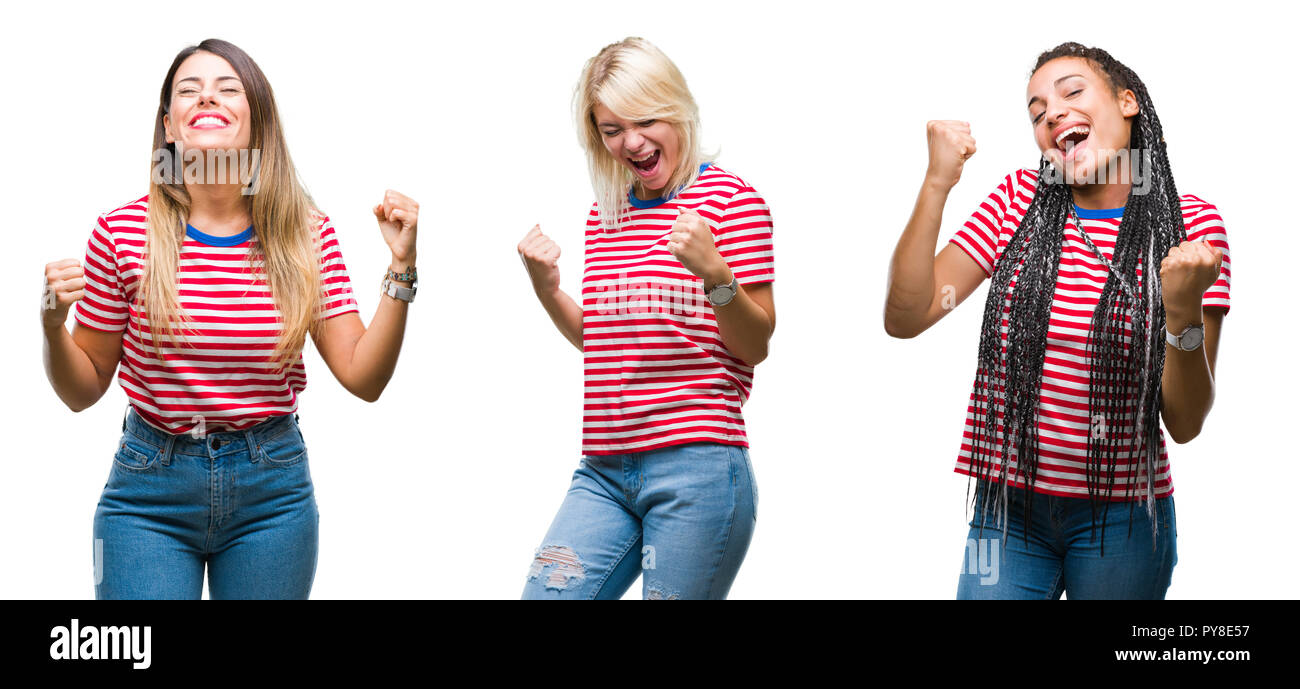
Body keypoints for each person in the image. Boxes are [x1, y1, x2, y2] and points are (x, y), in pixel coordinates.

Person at [40, 38, 420, 599]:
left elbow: (364, 378)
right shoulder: (123, 234)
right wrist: (52, 324)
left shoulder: (306, 236)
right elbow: (82, 390)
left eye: (227, 88)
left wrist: (401, 267)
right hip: (148, 494)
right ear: (170, 126)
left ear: (256, 117)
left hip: (273, 496)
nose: (206, 99)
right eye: (188, 92)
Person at [884, 42, 1230, 599]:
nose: (1052, 115)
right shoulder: (1018, 200)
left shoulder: (1190, 225)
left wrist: (1183, 310)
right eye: (1038, 112)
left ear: (1127, 102)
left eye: (1072, 92)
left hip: (1126, 521)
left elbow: (1185, 423)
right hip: (1004, 512)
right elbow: (906, 316)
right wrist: (936, 184)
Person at [517, 37, 776, 600]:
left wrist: (715, 272)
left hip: (699, 467)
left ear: (676, 108)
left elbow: (756, 344)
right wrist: (547, 290)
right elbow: (606, 340)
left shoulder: (733, 200)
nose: (631, 142)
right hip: (605, 469)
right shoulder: (605, 215)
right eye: (611, 130)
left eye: (646, 120)